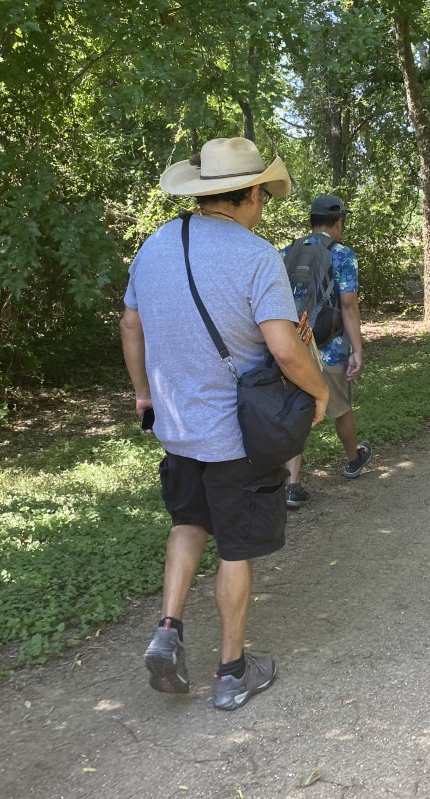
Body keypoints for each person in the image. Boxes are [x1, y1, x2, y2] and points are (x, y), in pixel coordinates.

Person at [120, 137, 329, 711]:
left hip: (177, 425)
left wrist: (144, 393)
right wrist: (319, 391)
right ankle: (232, 672)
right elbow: (285, 350)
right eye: (263, 193)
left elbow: (131, 325)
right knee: (235, 549)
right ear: (252, 194)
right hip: (237, 433)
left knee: (189, 522)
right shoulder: (257, 255)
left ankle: (168, 630)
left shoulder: (156, 244)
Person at [283, 194, 372, 509]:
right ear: (339, 222)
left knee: (295, 411)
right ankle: (352, 460)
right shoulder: (344, 255)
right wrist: (357, 350)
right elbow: (348, 305)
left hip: (293, 345)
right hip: (331, 348)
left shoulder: (288, 252)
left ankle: (292, 485)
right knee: (341, 406)